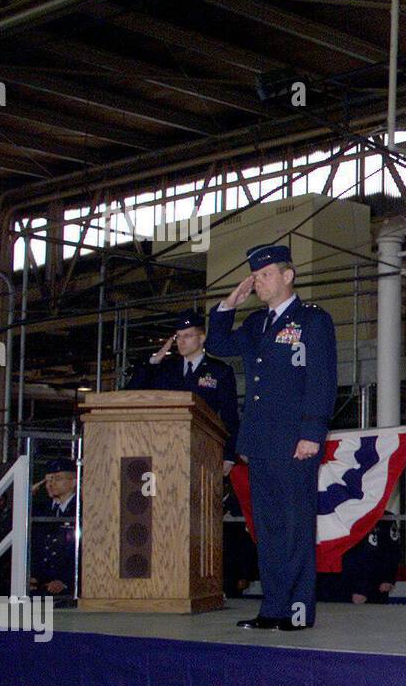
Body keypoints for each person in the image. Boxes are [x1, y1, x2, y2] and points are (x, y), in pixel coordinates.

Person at [208, 243, 338, 631]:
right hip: (261, 441)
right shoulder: (255, 324)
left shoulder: (312, 320)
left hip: (296, 439)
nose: (258, 282)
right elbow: (217, 344)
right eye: (254, 276)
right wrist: (229, 303)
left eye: (265, 275)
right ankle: (273, 608)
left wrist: (313, 431)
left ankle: (297, 611)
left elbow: (322, 378)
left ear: (288, 275)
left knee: (296, 525)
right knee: (267, 528)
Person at [127, 311, 241, 473]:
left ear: (202, 338)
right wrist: (153, 362)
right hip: (166, 445)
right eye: (178, 337)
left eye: (187, 336)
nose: (181, 341)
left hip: (203, 445)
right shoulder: (166, 368)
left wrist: (228, 454)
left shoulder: (219, 371)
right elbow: (132, 392)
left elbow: (229, 415)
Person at [30, 458, 78, 599]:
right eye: (48, 480)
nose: (50, 484)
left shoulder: (81, 510)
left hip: (68, 590)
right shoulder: (41, 510)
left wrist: (66, 582)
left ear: (74, 482)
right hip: (40, 586)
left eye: (57, 479)